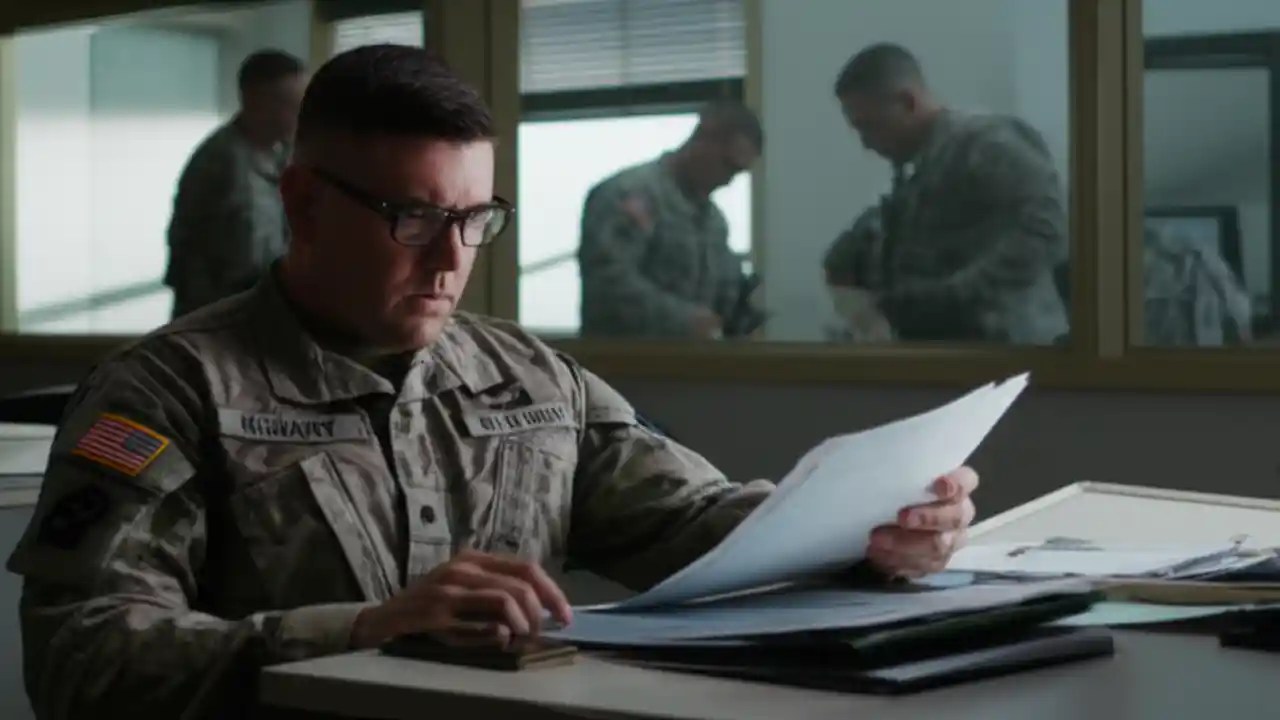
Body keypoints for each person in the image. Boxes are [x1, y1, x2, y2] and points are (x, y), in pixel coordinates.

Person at [8, 45, 979, 719]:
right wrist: (362, 631)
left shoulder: (527, 380)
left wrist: (869, 533)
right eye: (412, 217)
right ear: (302, 203)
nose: (450, 260)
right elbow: (82, 664)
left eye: (477, 219)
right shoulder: (166, 394)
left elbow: (699, 528)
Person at [829, 43, 1069, 345]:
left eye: (870, 126)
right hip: (953, 351)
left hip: (1006, 350)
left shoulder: (987, 143)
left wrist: (953, 295)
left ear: (907, 102)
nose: (866, 143)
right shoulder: (920, 165)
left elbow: (1048, 231)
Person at [578, 100, 763, 339]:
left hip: (686, 369)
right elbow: (607, 287)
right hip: (619, 365)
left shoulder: (714, 222)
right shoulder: (628, 194)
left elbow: (723, 297)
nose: (728, 180)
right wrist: (686, 320)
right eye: (728, 165)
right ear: (703, 139)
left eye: (738, 173)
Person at [164, 49, 306, 319]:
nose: (301, 115)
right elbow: (207, 264)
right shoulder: (220, 163)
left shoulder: (283, 155)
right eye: (290, 103)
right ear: (255, 100)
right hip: (217, 324)